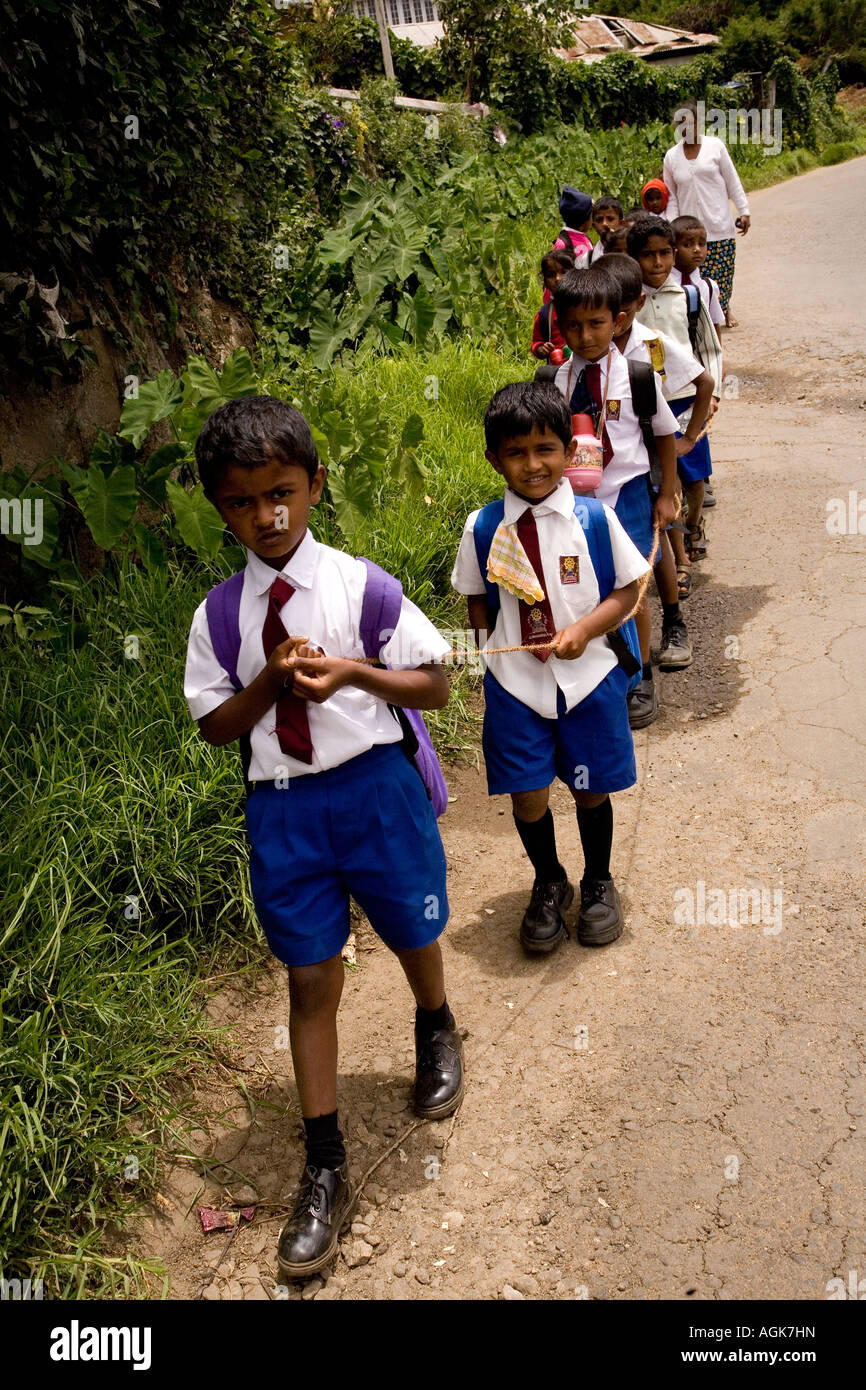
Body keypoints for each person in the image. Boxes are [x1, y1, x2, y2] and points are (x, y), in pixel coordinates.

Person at [184, 396, 463, 1279]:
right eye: (240, 502)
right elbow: (217, 729)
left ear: (314, 487)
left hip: (375, 789)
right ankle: (327, 1163)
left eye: (281, 494)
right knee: (310, 975)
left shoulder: (361, 586)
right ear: (219, 507)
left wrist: (350, 673)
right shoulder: (221, 617)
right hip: (285, 808)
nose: (265, 517)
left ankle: (436, 1021)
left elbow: (434, 686)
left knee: (413, 928)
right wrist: (269, 682)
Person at [451, 381, 651, 952]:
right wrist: (479, 654)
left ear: (569, 451)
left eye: (545, 450)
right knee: (528, 794)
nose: (532, 465)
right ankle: (548, 881)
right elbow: (477, 599)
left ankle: (598, 882)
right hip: (517, 683)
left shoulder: (593, 520)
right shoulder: (484, 527)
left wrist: (586, 629)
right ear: (494, 459)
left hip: (587, 678)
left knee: (590, 789)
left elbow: (628, 591)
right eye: (516, 452)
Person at [551, 265, 680, 730]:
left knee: (634, 591)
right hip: (575, 503)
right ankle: (601, 673)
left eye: (596, 323)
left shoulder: (636, 376)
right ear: (560, 326)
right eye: (573, 325)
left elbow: (664, 434)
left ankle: (641, 675)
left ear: (619, 320)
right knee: (588, 589)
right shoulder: (556, 379)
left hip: (627, 495)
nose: (585, 336)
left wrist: (667, 493)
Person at [603, 253, 712, 647]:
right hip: (610, 469)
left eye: (623, 312)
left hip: (653, 458)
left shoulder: (651, 345)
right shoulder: (588, 354)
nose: (615, 322)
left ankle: (674, 624)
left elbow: (705, 382)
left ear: (639, 305)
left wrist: (687, 438)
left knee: (658, 539)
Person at [628, 215, 722, 568]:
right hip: (648, 402)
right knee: (668, 479)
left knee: (696, 477)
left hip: (685, 398)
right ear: (634, 257)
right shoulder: (629, 302)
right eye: (648, 255)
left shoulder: (688, 297)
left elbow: (709, 348)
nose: (658, 263)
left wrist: (711, 396)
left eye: (665, 253)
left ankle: (694, 523)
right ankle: (679, 555)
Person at [662, 98, 750, 326]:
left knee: (722, 276)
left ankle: (722, 310)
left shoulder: (715, 147)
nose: (686, 128)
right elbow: (671, 196)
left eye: (690, 122)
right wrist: (673, 228)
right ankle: (705, 319)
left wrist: (744, 211)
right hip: (689, 232)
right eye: (680, 124)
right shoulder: (672, 157)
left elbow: (733, 182)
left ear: (699, 122)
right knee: (695, 276)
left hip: (719, 225)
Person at [670, 215, 726, 333]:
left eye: (701, 243)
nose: (697, 249)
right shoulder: (665, 285)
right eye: (687, 245)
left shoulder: (709, 287)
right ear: (673, 248)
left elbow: (714, 325)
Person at [531, 249, 574, 379]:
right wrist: (540, 349)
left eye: (564, 272)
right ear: (545, 281)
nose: (558, 278)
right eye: (551, 275)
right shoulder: (544, 314)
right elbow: (536, 341)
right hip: (556, 375)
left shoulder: (586, 307)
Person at [590, 196, 624, 262]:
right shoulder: (588, 258)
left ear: (621, 223)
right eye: (599, 220)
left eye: (610, 219)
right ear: (594, 226)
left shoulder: (629, 252)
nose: (604, 223)